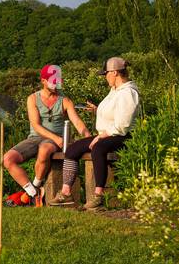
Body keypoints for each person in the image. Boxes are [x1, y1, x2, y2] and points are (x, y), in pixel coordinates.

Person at [50, 57, 140, 211]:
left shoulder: (128, 93)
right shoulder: (114, 91)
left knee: (98, 148)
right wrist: (98, 110)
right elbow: (114, 113)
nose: (105, 77)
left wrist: (101, 136)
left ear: (115, 73)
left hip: (122, 136)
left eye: (106, 74)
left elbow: (123, 125)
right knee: (72, 149)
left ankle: (98, 195)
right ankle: (66, 193)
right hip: (108, 134)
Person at [2, 64, 91, 203]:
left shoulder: (65, 101)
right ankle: (33, 192)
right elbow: (36, 126)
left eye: (58, 80)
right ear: (43, 80)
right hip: (35, 138)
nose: (56, 83)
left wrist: (88, 137)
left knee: (44, 149)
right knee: (7, 160)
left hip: (53, 142)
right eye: (52, 80)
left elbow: (77, 122)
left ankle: (35, 187)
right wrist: (56, 138)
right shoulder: (32, 99)